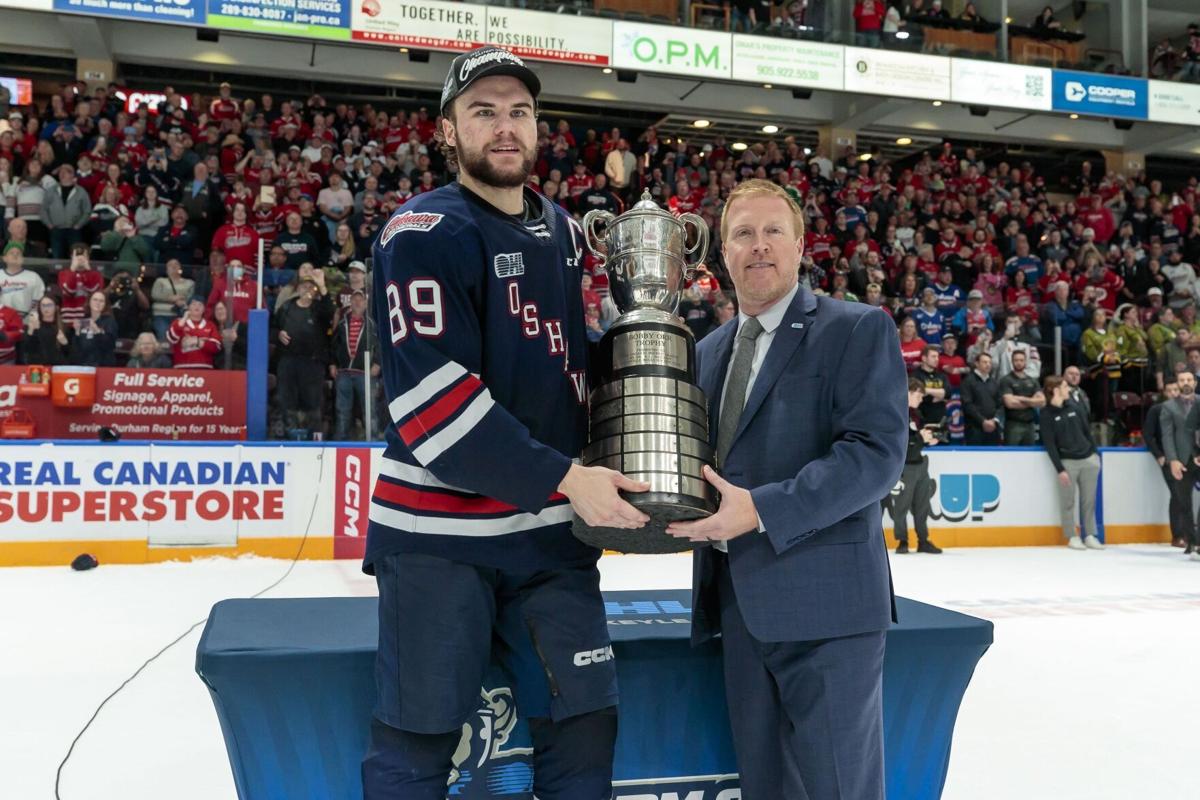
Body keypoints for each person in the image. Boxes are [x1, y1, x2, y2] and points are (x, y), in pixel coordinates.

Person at [362, 47, 641, 799]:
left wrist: (646, 363)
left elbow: (558, 365)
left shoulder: (560, 231)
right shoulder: (421, 232)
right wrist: (564, 477)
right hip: (435, 540)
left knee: (587, 726)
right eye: (483, 111)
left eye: (519, 110)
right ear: (447, 131)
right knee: (416, 745)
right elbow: (434, 408)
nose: (505, 126)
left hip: (549, 538)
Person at [666, 179, 907, 800]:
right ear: (723, 252)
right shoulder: (708, 350)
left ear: (801, 246)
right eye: (743, 234)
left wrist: (763, 510)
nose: (759, 246)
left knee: (839, 788)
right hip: (739, 612)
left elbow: (876, 456)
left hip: (829, 613)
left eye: (774, 231)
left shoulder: (856, 328)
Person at [1041, 375, 1103, 550]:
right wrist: (1060, 469)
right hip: (1068, 462)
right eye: (1065, 386)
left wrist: (1095, 455)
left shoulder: (1075, 406)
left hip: (1088, 460)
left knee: (1089, 501)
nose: (1068, 389)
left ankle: (1090, 535)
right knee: (1067, 501)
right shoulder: (1046, 414)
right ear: (1055, 390)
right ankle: (1072, 536)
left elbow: (1087, 431)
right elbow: (1050, 444)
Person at [886, 378, 943, 554]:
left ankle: (923, 540)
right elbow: (902, 442)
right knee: (901, 505)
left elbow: (915, 441)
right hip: (906, 466)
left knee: (922, 505)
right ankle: (902, 541)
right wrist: (920, 438)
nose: (920, 399)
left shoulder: (917, 415)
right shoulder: (899, 414)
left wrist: (927, 440)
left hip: (920, 463)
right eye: (918, 395)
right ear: (909, 393)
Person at [329, 289, 381, 440]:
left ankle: (373, 439)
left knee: (370, 409)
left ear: (366, 303)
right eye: (355, 300)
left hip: (365, 373)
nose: (358, 303)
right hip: (344, 372)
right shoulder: (342, 323)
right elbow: (334, 345)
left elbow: (380, 346)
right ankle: (341, 440)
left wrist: (377, 363)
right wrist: (332, 363)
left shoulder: (372, 324)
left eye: (361, 300)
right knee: (342, 409)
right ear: (350, 303)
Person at [1160, 370, 1200, 556]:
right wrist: (1173, 460)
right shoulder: (1168, 407)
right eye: (1182, 379)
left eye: (1189, 379)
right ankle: (1191, 542)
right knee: (1184, 503)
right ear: (1177, 383)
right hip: (1182, 460)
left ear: (1195, 383)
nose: (1186, 382)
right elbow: (1167, 436)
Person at [1142, 381, 1185, 548]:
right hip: (1168, 458)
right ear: (1164, 393)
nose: (1174, 393)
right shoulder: (1157, 410)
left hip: (1185, 457)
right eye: (1170, 390)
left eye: (1176, 390)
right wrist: (1158, 455)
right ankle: (1178, 536)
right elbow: (1148, 434)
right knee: (1178, 494)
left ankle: (1188, 534)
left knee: (1184, 495)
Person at [999, 349, 1044, 445]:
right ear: (1012, 362)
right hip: (1013, 424)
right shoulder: (1006, 380)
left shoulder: (1032, 381)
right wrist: (1032, 402)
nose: (1019, 363)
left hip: (1030, 424)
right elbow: (1010, 403)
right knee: (1011, 455)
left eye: (1021, 360)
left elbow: (1041, 401)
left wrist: (1020, 399)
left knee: (1029, 455)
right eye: (1016, 360)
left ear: (1025, 361)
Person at [961, 351, 1003, 445]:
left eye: (989, 363)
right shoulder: (968, 381)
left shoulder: (994, 382)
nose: (988, 365)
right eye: (985, 362)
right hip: (974, 428)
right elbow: (967, 405)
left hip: (993, 428)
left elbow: (1000, 404)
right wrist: (982, 421)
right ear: (976, 363)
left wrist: (995, 420)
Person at [69, 289, 118, 367]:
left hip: (102, 367)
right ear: (89, 302)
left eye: (101, 301)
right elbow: (76, 350)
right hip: (83, 366)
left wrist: (97, 331)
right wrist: (77, 333)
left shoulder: (109, 322)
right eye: (95, 300)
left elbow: (110, 345)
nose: (97, 303)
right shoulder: (83, 321)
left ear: (105, 304)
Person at [20, 295, 73, 365]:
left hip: (58, 367)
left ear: (56, 307)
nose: (46, 308)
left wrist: (65, 343)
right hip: (37, 368)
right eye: (43, 305)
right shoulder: (32, 325)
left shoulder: (65, 327)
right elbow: (26, 350)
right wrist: (31, 330)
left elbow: (71, 354)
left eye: (49, 305)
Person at [150, 259, 195, 342]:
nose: (173, 266)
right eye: (170, 265)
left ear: (180, 268)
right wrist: (171, 298)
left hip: (181, 315)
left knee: (182, 338)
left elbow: (191, 298)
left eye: (176, 264)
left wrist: (182, 302)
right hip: (161, 315)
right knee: (164, 335)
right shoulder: (160, 281)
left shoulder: (190, 283)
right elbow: (155, 295)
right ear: (166, 270)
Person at [0, 245, 45, 316]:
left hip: (25, 319)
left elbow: (38, 300)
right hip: (3, 320)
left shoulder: (33, 276)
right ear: (4, 258)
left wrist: (32, 316)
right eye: (11, 253)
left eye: (18, 253)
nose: (15, 255)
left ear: (23, 259)